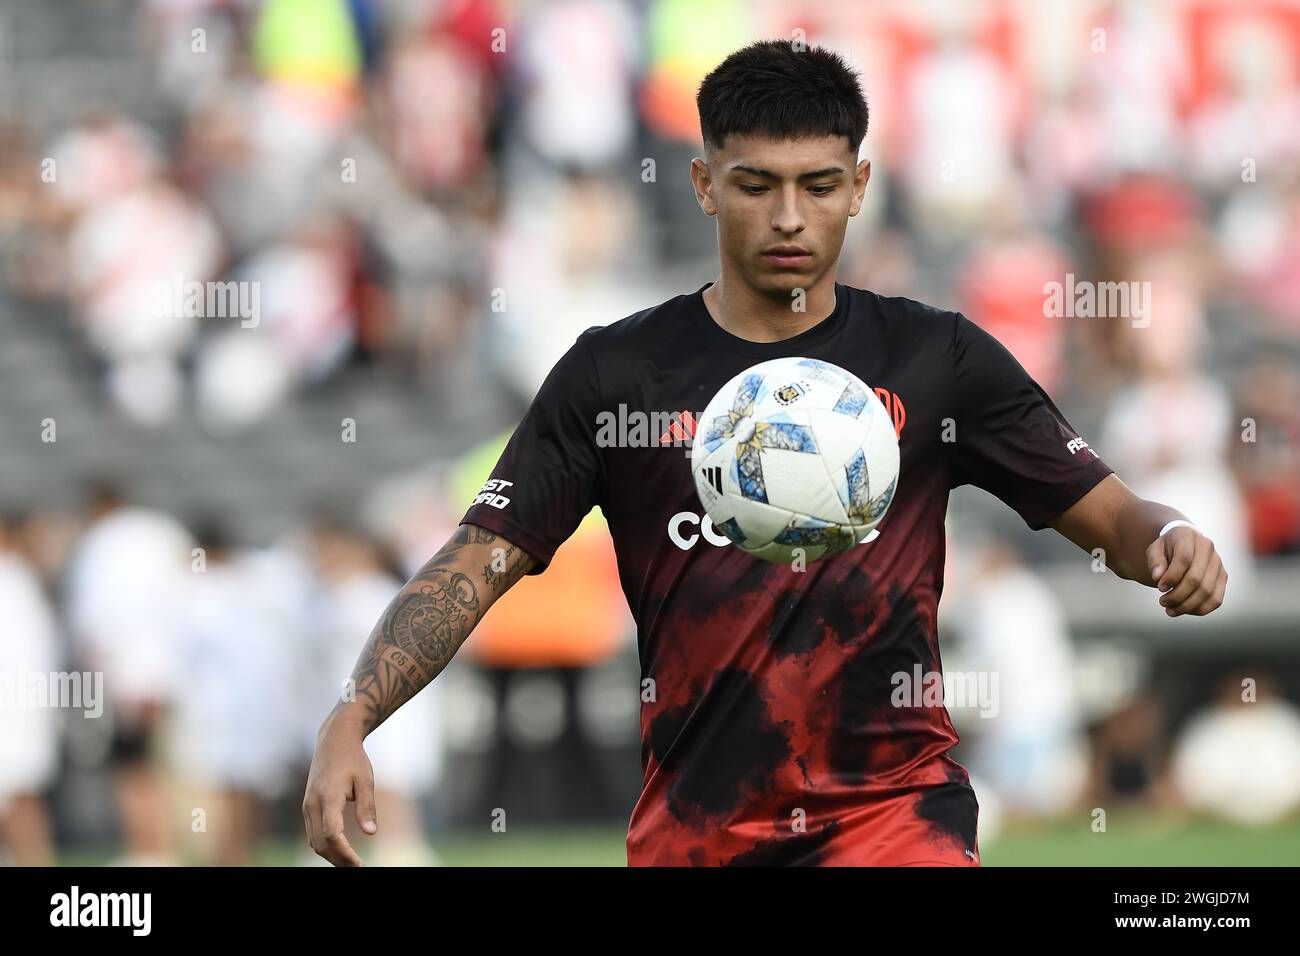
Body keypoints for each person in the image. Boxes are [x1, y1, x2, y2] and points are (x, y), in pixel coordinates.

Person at [304, 39, 1229, 867]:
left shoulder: (936, 359)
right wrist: (355, 713)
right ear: (705, 185)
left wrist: (1168, 538)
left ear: (860, 187)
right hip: (699, 834)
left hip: (897, 818)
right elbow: (476, 562)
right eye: (756, 185)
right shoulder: (616, 374)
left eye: (819, 185)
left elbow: (1105, 510)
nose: (790, 217)